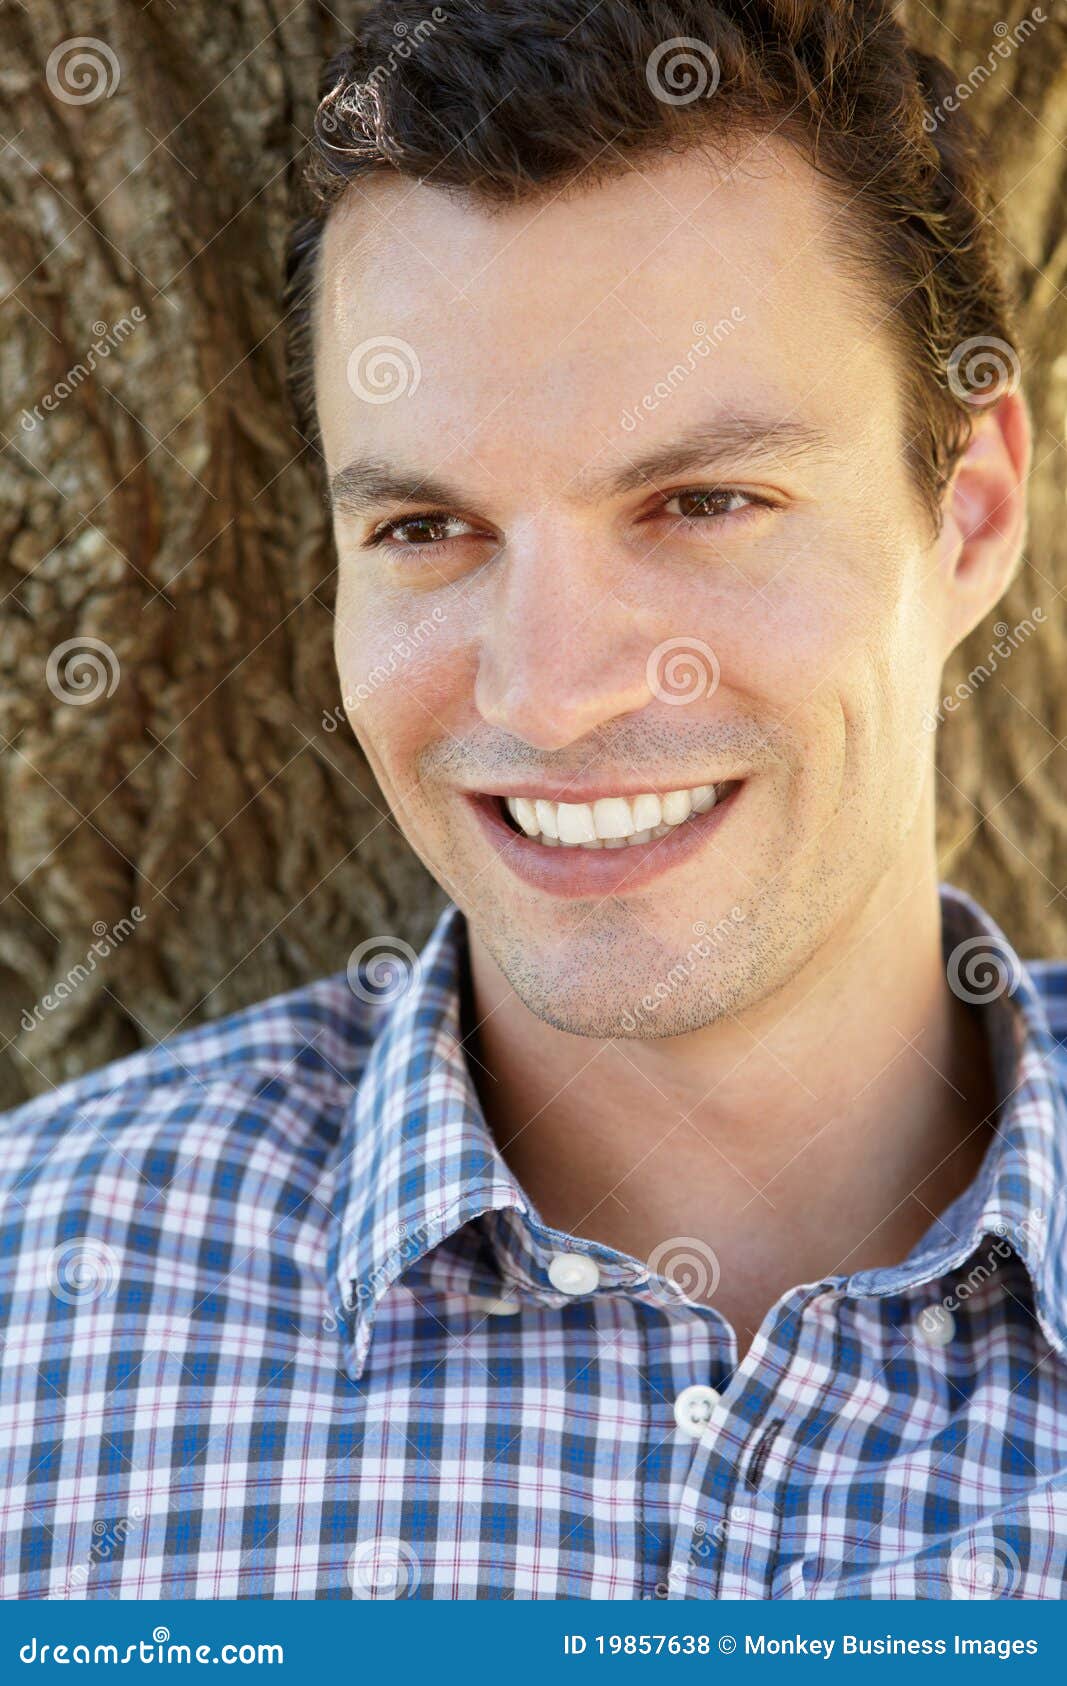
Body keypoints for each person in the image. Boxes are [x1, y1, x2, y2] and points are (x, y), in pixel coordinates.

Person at [2, 0, 1064, 1601]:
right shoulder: (38, 1321)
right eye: (431, 528)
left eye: (704, 502)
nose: (549, 691)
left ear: (969, 516)